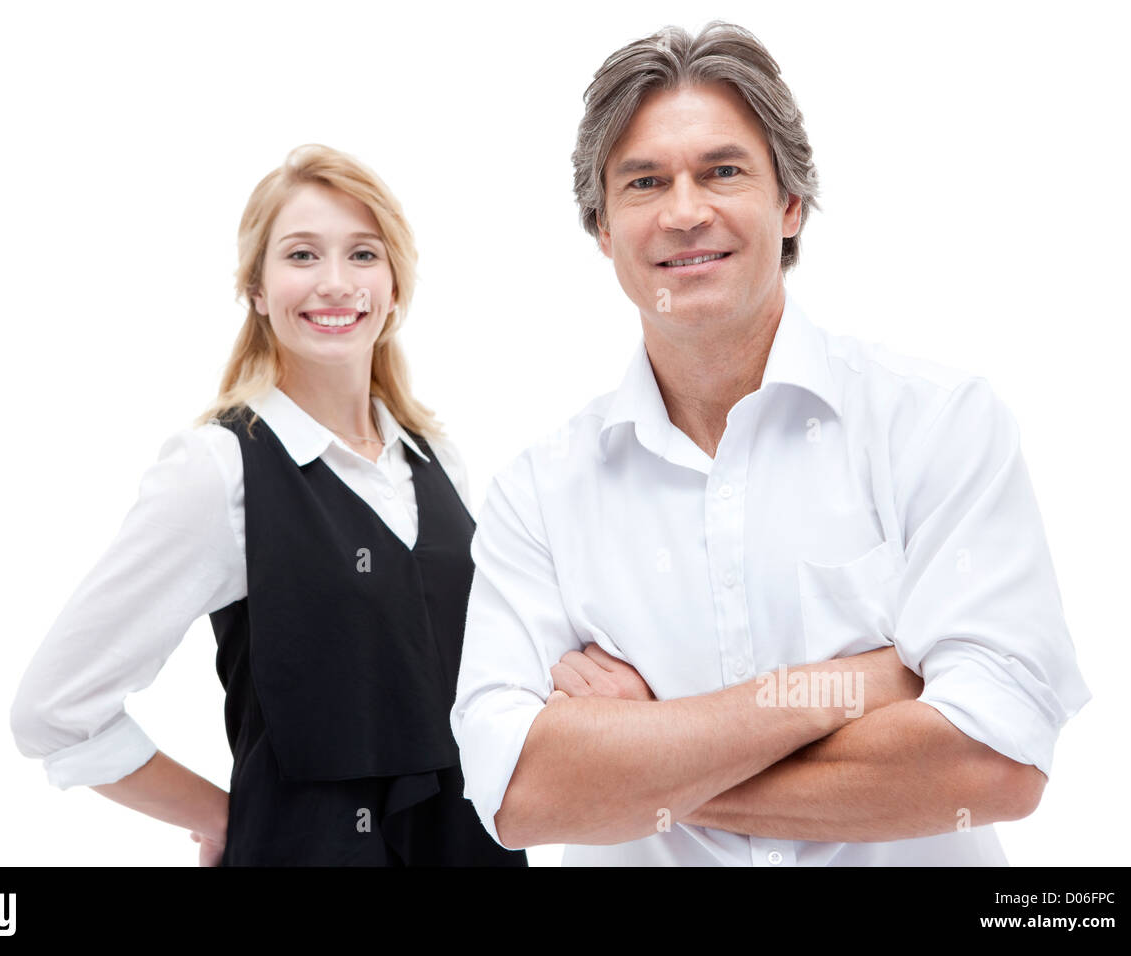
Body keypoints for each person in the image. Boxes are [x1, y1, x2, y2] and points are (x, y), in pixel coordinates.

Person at [450, 22, 1091, 866]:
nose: (686, 212)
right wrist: (848, 688)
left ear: (790, 204)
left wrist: (644, 765)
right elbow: (520, 796)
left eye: (723, 171)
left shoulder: (939, 425)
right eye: (645, 182)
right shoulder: (536, 494)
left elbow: (994, 763)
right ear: (603, 229)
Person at [11, 144, 526, 867]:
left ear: (396, 285)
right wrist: (228, 818)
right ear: (255, 288)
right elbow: (54, 711)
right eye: (302, 256)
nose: (336, 284)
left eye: (363, 255)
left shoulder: (435, 458)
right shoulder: (218, 469)